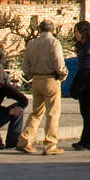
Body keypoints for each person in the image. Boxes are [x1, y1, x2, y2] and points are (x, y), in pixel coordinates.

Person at [17, 20, 66, 156]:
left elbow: (25, 64)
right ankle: (50, 144)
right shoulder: (54, 42)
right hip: (51, 79)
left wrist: (31, 74)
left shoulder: (31, 44)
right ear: (53, 30)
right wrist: (62, 75)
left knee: (36, 112)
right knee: (53, 113)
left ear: (39, 30)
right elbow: (59, 63)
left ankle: (25, 139)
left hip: (36, 79)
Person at [70, 21, 90, 150]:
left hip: (87, 76)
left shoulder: (89, 45)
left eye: (77, 32)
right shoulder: (82, 45)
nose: (76, 35)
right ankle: (85, 140)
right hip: (83, 74)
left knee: (87, 111)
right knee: (84, 111)